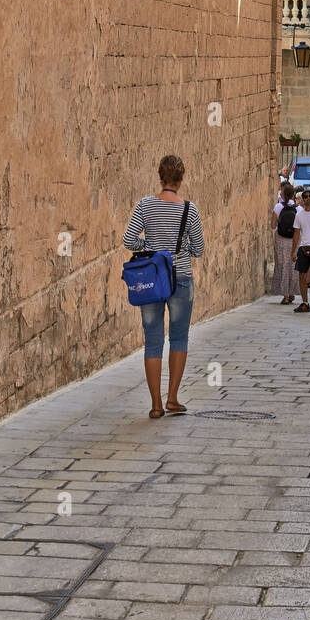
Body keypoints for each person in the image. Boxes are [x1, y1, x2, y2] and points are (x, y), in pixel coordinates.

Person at [122, 154, 205, 420]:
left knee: (153, 341)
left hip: (152, 280)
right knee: (179, 338)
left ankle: (156, 405)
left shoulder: (145, 205)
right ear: (181, 179)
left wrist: (149, 249)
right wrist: (180, 251)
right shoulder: (189, 209)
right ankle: (172, 399)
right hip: (180, 277)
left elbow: (128, 240)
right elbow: (200, 249)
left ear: (160, 177)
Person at [271, 183, 297, 305]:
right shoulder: (298, 208)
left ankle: (285, 295)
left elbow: (272, 225)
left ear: (282, 194)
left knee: (282, 264)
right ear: (293, 195)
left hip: (281, 239)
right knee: (292, 266)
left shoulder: (278, 207)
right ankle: (291, 293)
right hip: (294, 240)